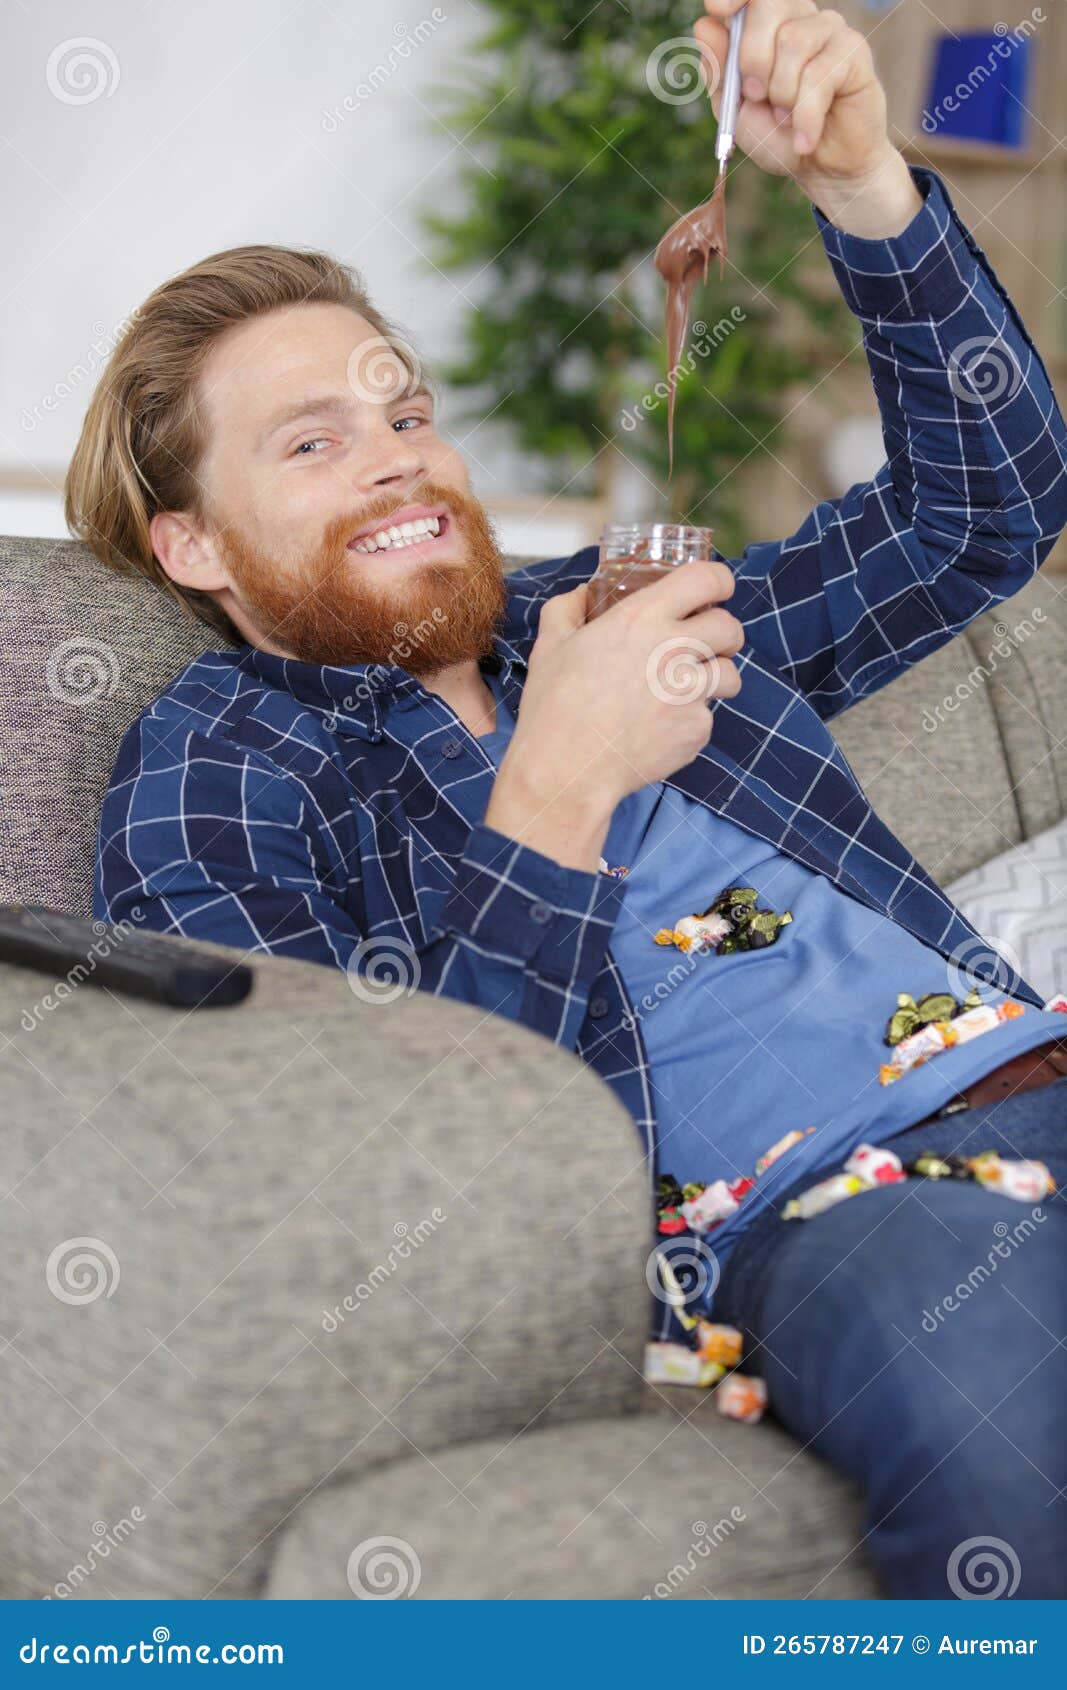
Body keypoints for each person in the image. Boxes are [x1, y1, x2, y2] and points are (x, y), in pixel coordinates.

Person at [73, 0, 1067, 1598]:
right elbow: (369, 1172)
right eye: (315, 442)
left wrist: (867, 188)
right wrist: (555, 788)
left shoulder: (605, 606)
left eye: (404, 413)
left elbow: (988, 516)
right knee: (1017, 1449)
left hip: (1039, 1063)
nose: (399, 460)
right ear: (193, 546)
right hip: (849, 1214)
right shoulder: (220, 769)